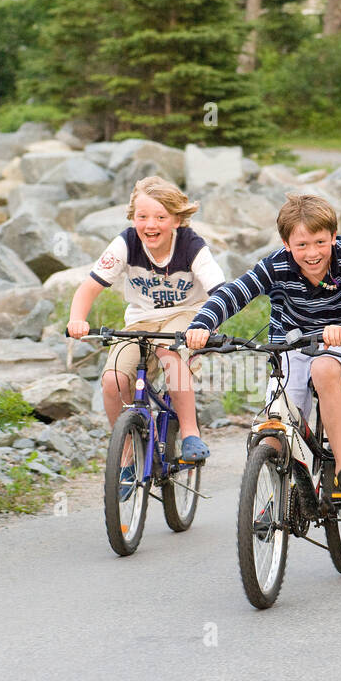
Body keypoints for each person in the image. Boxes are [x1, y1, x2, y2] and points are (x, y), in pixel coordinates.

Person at [185, 193, 341, 495]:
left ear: (333, 236)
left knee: (324, 368)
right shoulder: (276, 265)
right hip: (292, 343)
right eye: (301, 245)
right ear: (286, 244)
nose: (312, 253)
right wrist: (202, 324)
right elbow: (234, 293)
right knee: (275, 426)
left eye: (320, 242)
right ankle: (273, 499)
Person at [66, 176, 225, 472]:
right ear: (133, 218)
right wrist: (77, 319)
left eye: (160, 217)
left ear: (176, 220)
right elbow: (88, 288)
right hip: (141, 320)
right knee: (113, 380)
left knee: (168, 352)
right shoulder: (126, 243)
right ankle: (128, 453)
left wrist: (207, 326)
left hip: (187, 315)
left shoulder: (192, 246)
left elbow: (220, 291)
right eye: (142, 217)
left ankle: (190, 432)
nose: (150, 225)